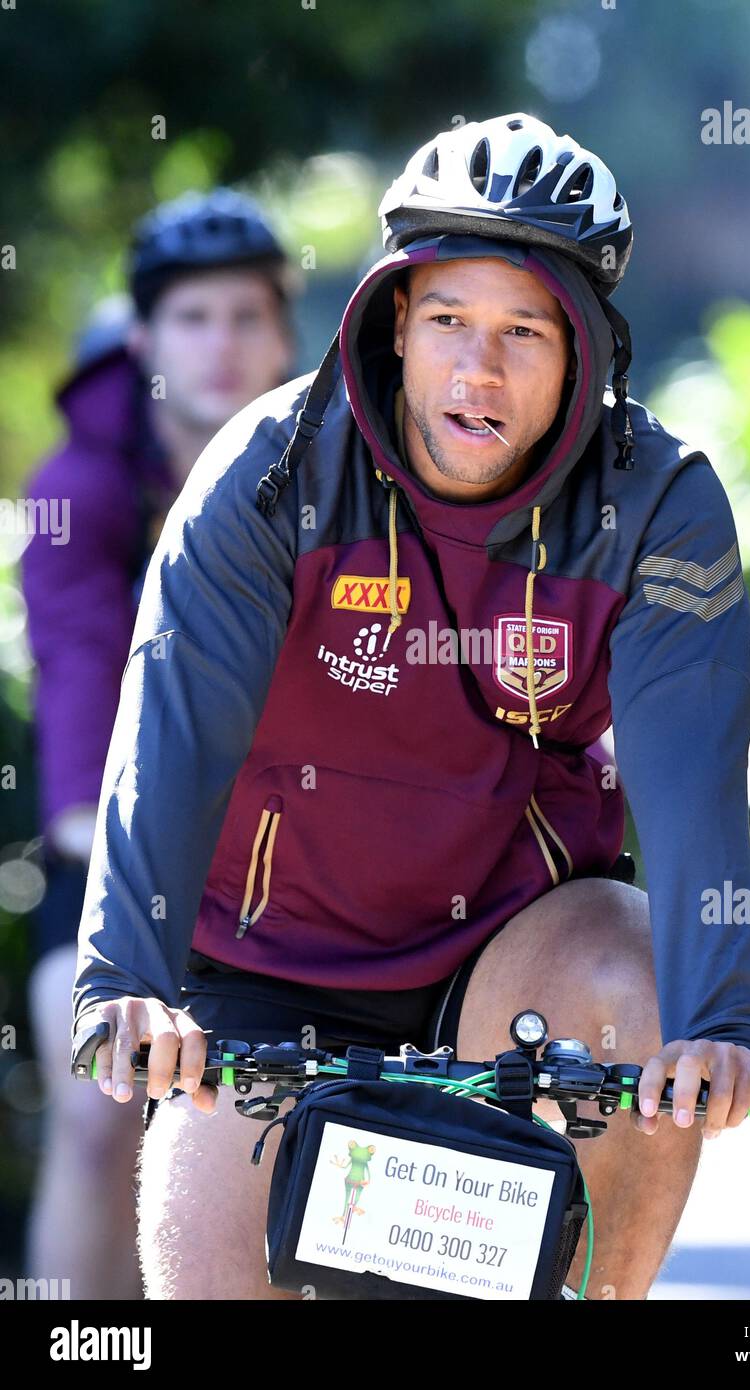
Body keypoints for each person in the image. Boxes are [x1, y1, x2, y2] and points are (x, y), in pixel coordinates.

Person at [71, 114, 750, 1301]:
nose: (477, 372)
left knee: (634, 973)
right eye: (448, 320)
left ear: (587, 354)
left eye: (522, 333)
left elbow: (689, 778)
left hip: (513, 962)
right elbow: (171, 731)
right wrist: (120, 978)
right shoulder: (269, 470)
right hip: (264, 965)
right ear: (395, 324)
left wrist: (721, 1020)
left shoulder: (660, 503)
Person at [21, 187, 296, 1299]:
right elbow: (82, 684)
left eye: (246, 315)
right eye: (193, 317)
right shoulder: (78, 494)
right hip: (111, 867)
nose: (221, 346)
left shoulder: (339, 479)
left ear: (286, 333)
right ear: (143, 340)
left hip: (305, 872)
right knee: (100, 1108)